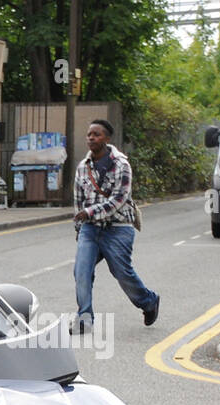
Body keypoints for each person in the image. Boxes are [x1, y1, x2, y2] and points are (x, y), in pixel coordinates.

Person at [72, 119, 158, 332]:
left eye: (96, 134)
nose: (91, 138)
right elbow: (78, 199)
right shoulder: (83, 167)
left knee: (122, 273)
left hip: (118, 227)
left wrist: (89, 212)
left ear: (107, 139)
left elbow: (118, 200)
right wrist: (79, 227)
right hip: (90, 228)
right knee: (81, 271)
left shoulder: (122, 165)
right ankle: (84, 318)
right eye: (89, 134)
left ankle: (148, 301)